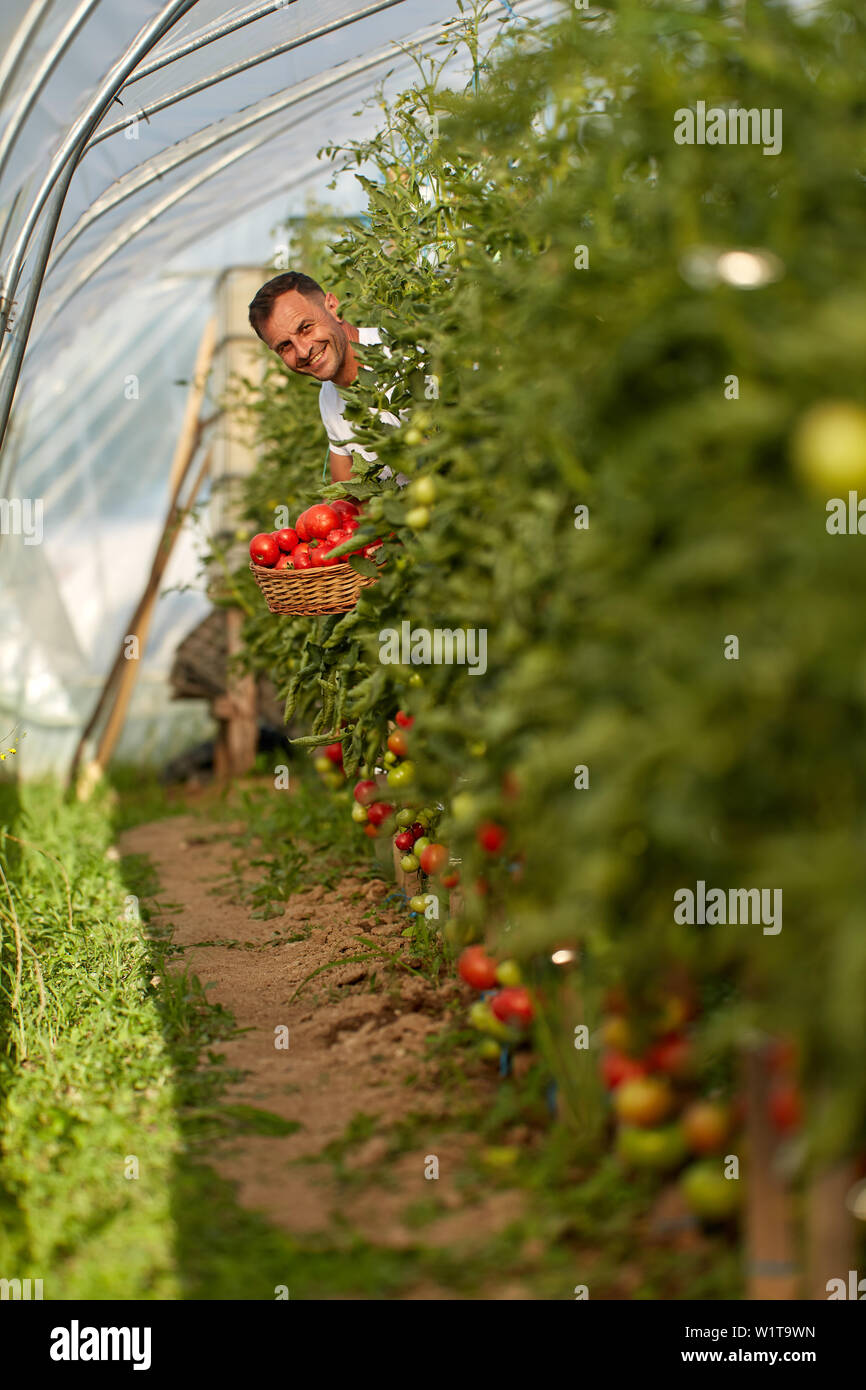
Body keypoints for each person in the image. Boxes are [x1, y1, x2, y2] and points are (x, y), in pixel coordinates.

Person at [248, 270, 402, 485]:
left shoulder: (403, 356)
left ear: (333, 307)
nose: (302, 351)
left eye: (306, 328)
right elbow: (348, 498)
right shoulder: (329, 398)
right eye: (285, 346)